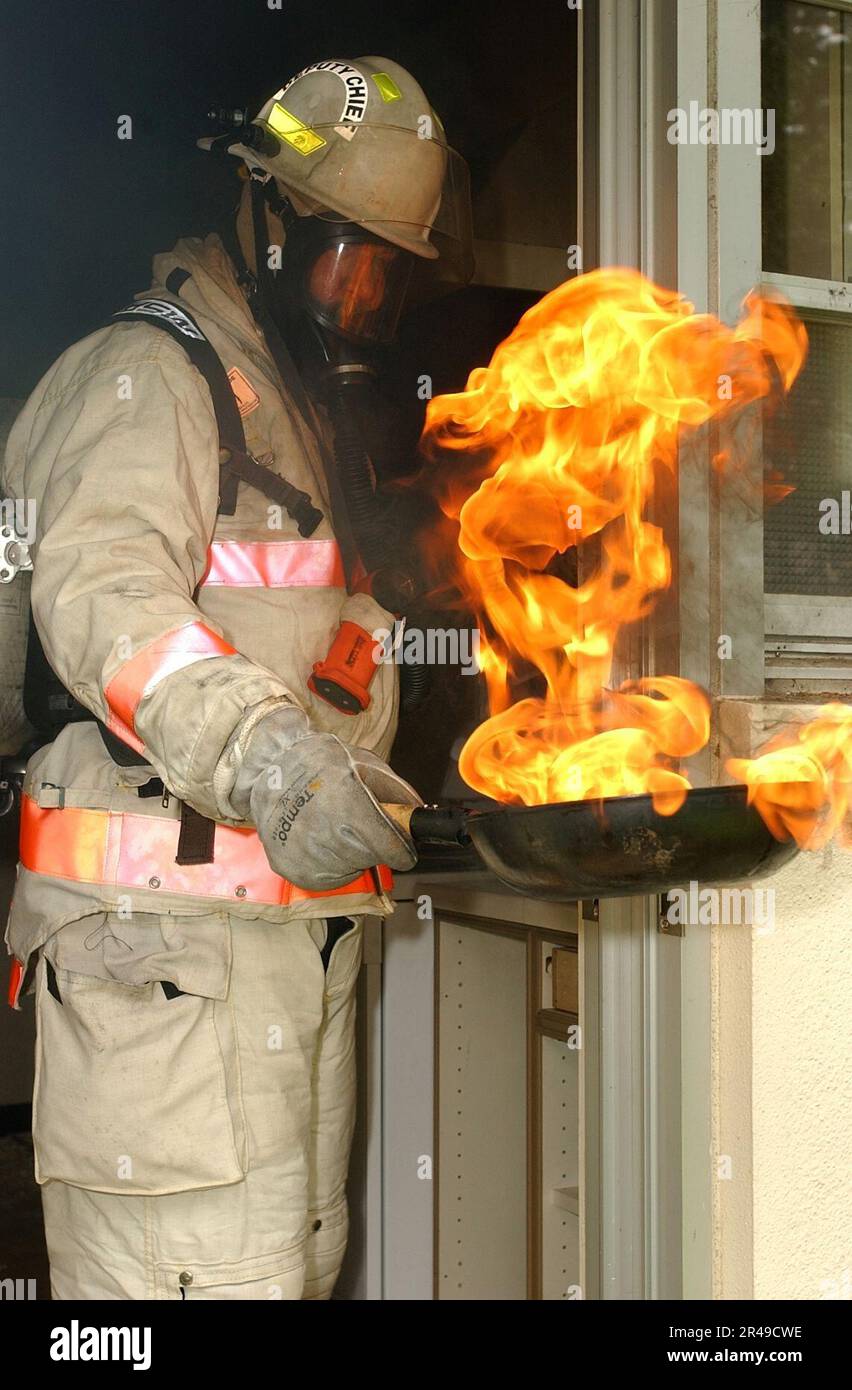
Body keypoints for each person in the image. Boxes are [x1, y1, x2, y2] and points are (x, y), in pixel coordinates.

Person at [2, 56, 472, 1300]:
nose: (358, 304)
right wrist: (276, 758)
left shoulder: (286, 410)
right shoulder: (149, 374)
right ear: (263, 214)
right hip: (166, 971)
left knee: (284, 1275)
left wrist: (398, 601)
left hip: (282, 958)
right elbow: (105, 606)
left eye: (386, 280)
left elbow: (297, 636)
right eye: (341, 262)